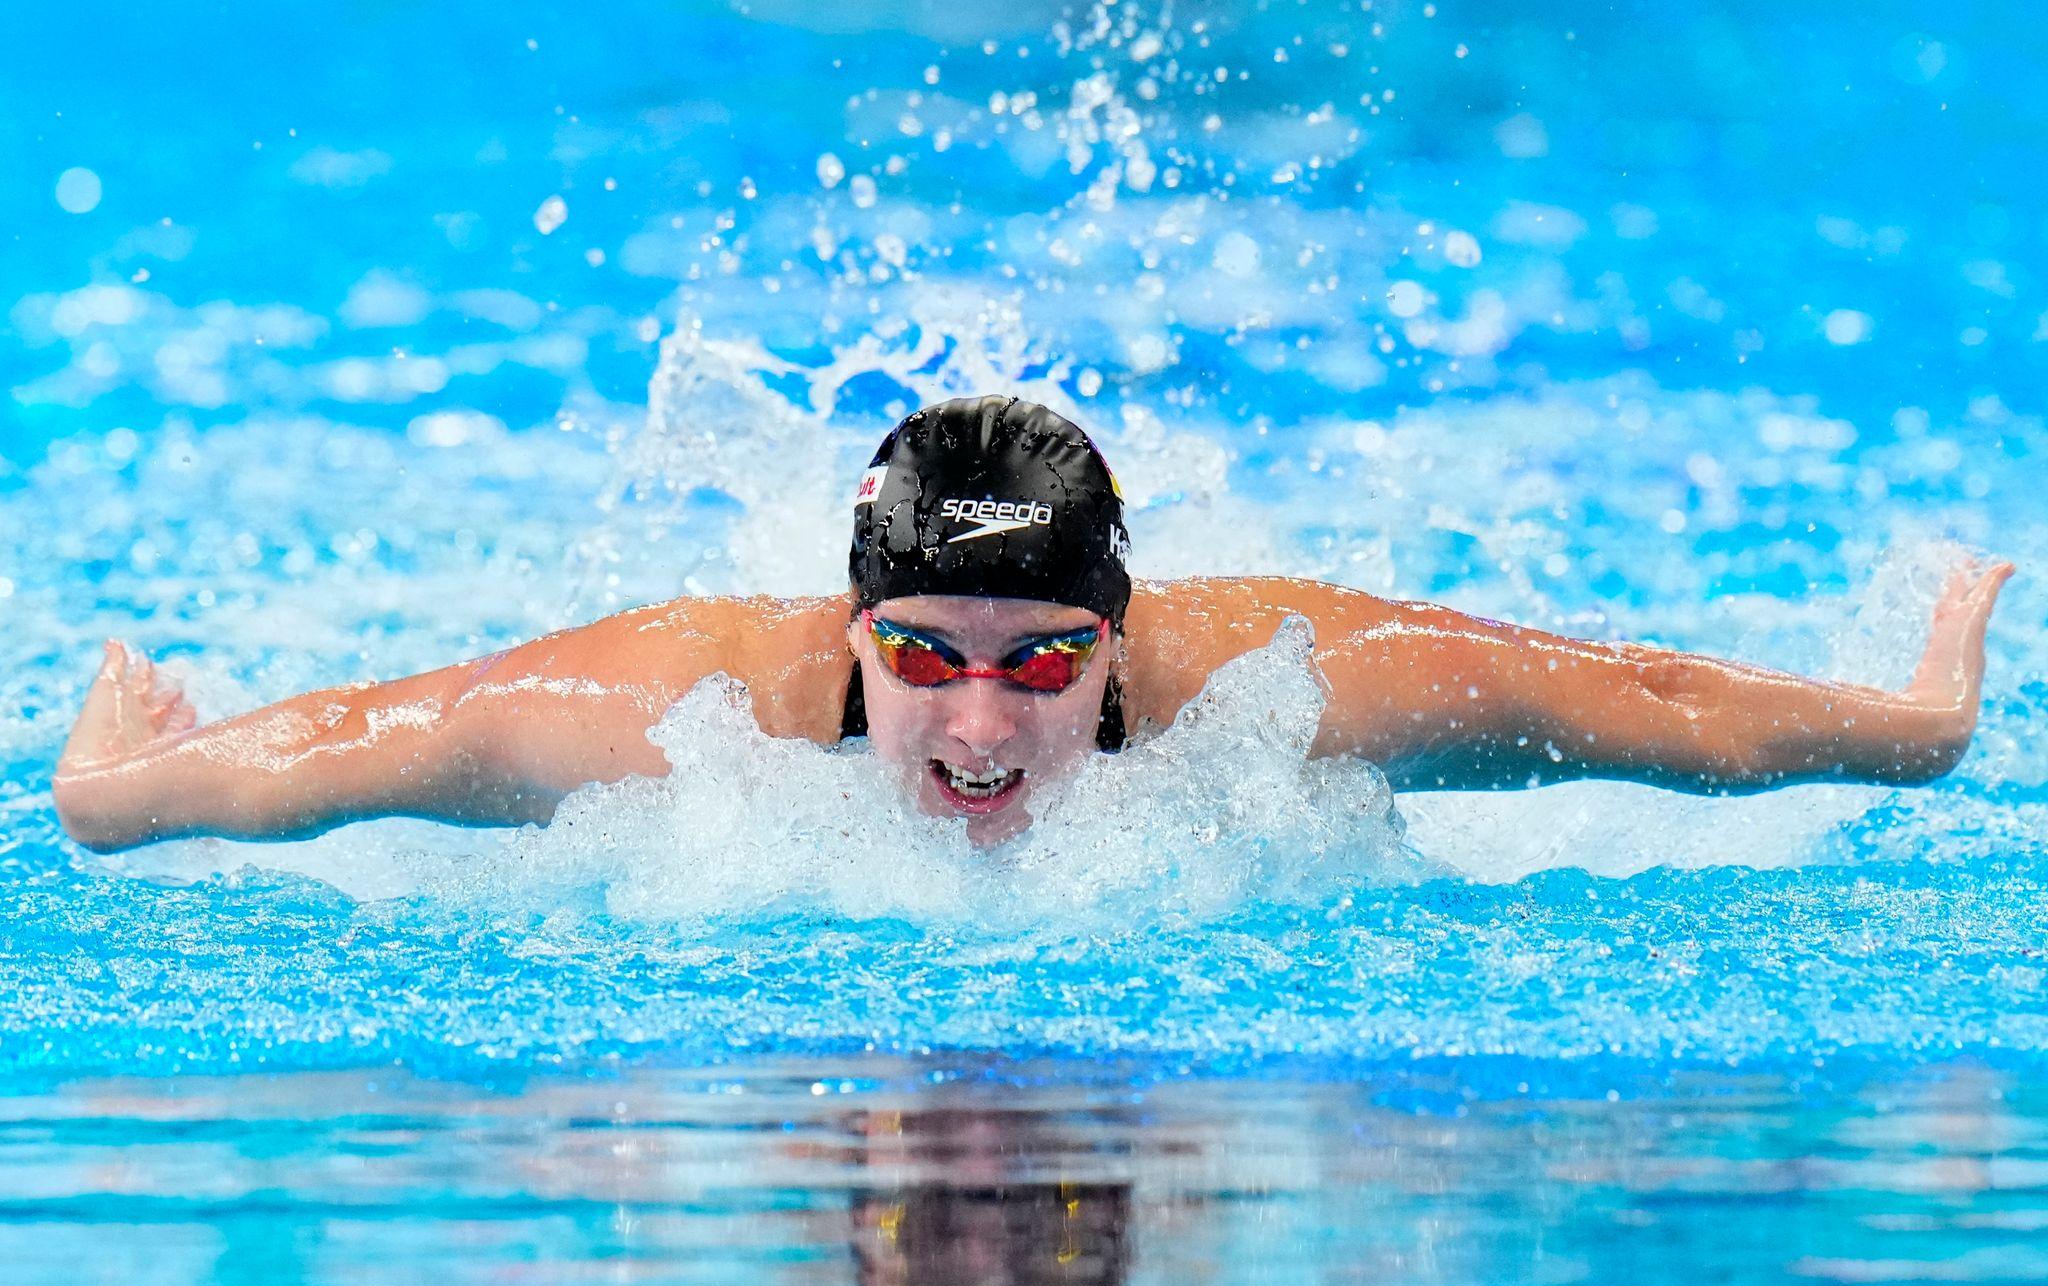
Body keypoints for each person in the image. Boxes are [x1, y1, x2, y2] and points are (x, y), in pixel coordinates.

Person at [52, 396, 2013, 853]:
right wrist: (116, 785)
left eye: (1041, 657)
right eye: (920, 653)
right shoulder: (681, 710)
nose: (978, 720)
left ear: (1119, 639)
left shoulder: (1273, 686)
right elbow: (355, 742)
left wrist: (1914, 720)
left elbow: (1642, 701)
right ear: (846, 631)